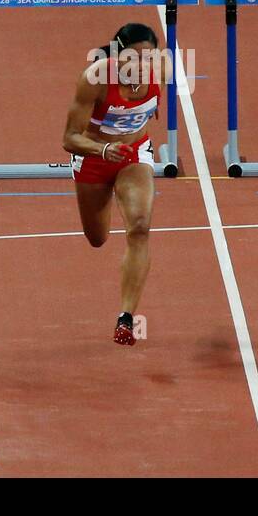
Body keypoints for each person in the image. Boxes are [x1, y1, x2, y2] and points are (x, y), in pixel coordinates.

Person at [63, 24, 168, 346]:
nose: (141, 64)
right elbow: (69, 138)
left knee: (140, 226)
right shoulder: (94, 79)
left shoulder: (160, 72)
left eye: (147, 57)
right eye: (133, 57)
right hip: (94, 157)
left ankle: (125, 317)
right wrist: (103, 149)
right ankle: (107, 196)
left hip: (133, 154)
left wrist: (124, 144)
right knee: (97, 238)